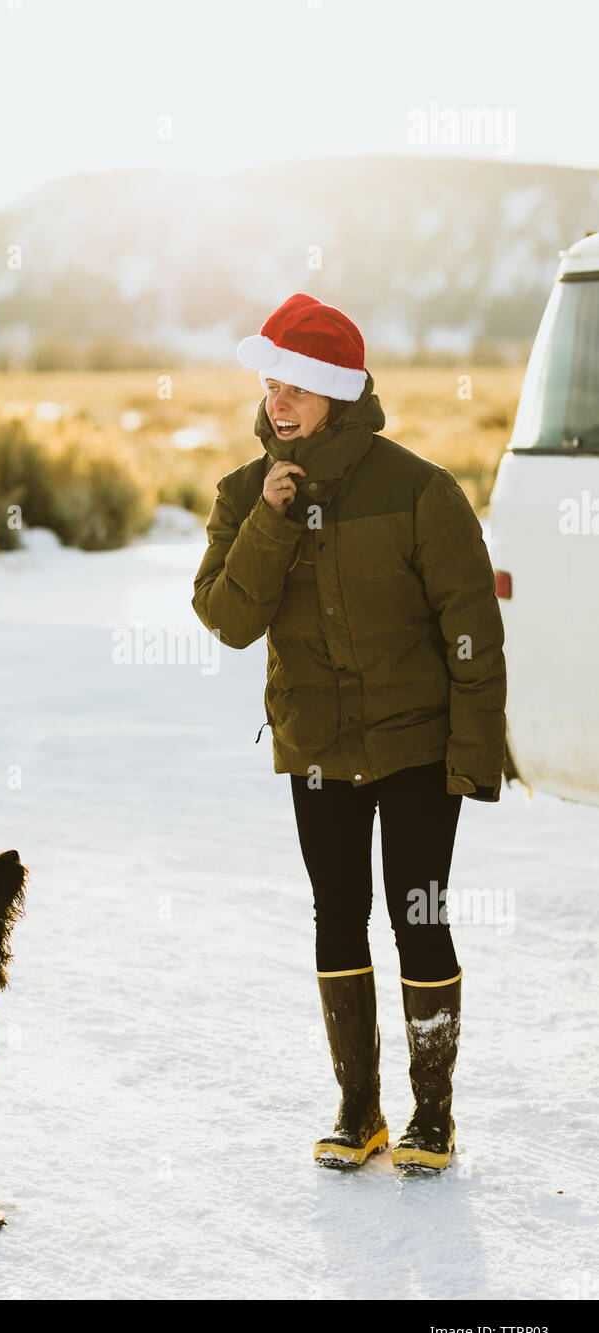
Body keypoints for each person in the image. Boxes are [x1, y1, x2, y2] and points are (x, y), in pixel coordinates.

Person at [191, 293, 506, 1172]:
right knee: (338, 917)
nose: (277, 402)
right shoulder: (244, 494)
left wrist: (474, 756)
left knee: (419, 917)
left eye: (294, 386)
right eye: (270, 386)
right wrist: (270, 521)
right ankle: (358, 1109)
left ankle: (432, 1115)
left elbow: (473, 630)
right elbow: (227, 619)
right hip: (317, 751)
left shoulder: (420, 490)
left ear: (334, 391)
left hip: (415, 749)